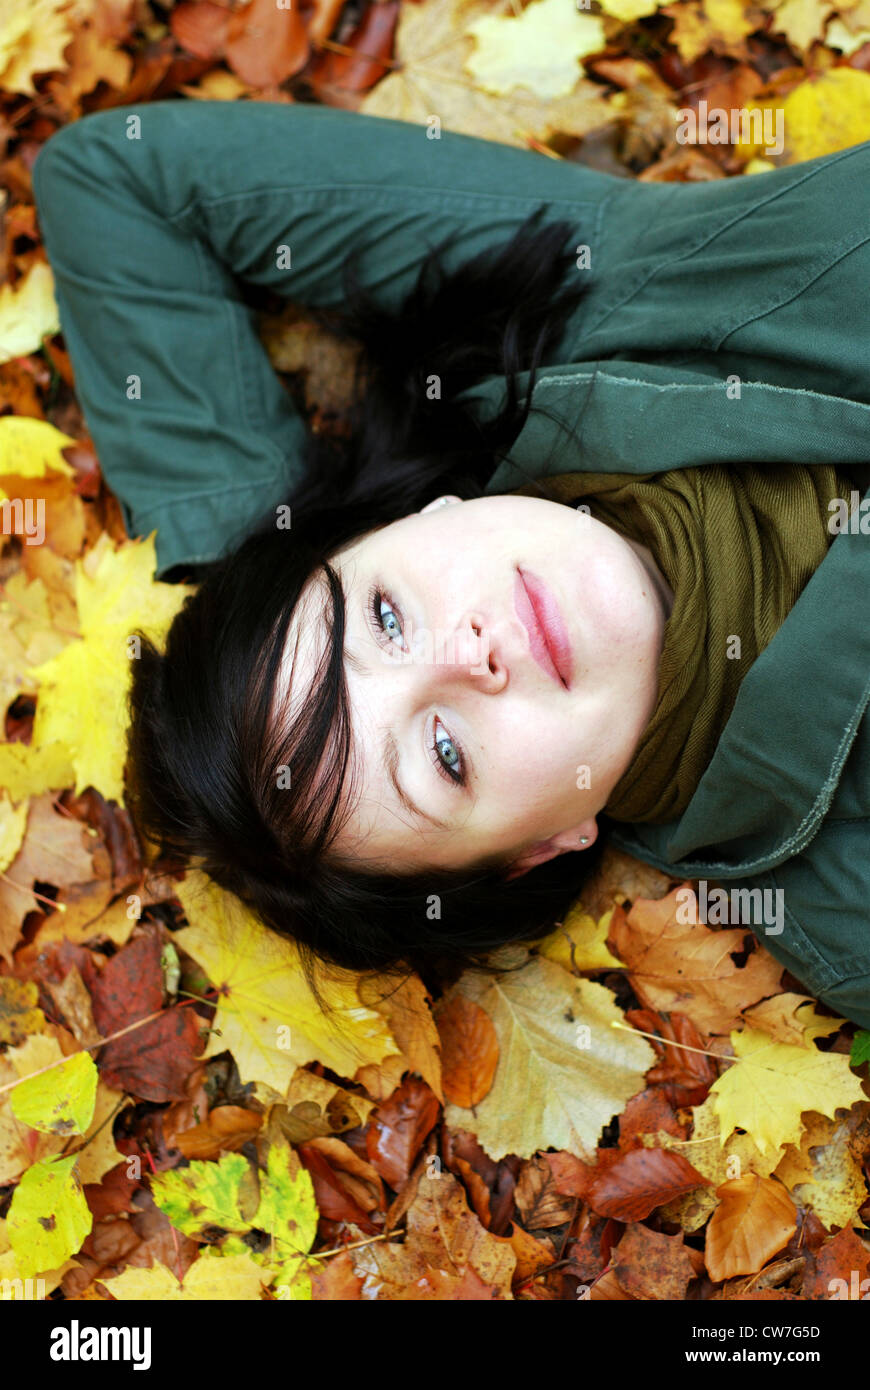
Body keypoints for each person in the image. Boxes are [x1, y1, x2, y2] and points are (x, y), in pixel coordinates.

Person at [31, 101, 870, 1025]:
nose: (468, 657)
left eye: (384, 616)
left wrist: (238, 594)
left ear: (408, 519)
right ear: (545, 848)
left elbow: (117, 180)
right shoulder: (852, 913)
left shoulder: (607, 299)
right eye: (444, 755)